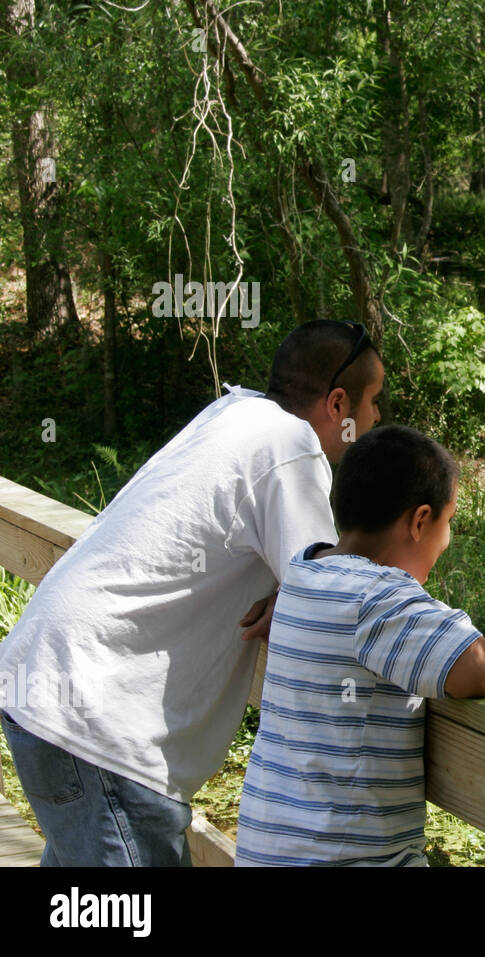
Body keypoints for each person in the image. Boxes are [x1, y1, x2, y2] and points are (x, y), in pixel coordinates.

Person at [0, 319, 384, 866]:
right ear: (338, 403)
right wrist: (301, 591)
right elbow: (331, 598)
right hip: (102, 726)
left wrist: (290, 586)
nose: (376, 418)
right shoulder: (291, 446)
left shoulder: (234, 414)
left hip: (49, 688)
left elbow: (297, 570)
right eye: (373, 401)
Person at [234, 425, 485, 866]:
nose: (448, 539)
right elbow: (478, 669)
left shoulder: (302, 573)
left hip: (268, 849)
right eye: (448, 521)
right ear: (419, 521)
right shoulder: (376, 597)